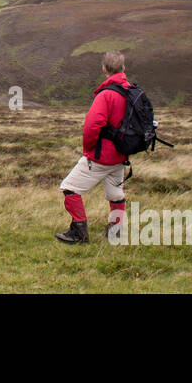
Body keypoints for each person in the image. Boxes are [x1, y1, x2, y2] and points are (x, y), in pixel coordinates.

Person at [55, 51, 130, 244]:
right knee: (115, 193)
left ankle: (79, 233)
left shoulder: (106, 94)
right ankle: (117, 232)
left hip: (101, 156)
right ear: (123, 69)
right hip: (122, 155)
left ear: (104, 69)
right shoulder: (131, 92)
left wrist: (88, 150)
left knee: (70, 188)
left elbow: (92, 126)